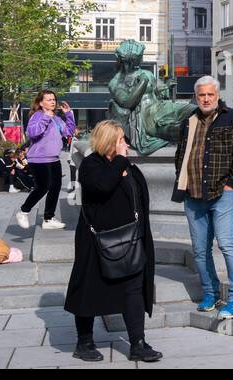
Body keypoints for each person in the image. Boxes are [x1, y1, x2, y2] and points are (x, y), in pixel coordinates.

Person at [64, 120, 161, 363]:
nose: (126, 145)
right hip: (96, 240)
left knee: (133, 289)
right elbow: (103, 185)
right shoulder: (91, 165)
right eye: (121, 140)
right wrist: (119, 160)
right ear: (109, 142)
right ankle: (84, 342)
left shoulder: (128, 167)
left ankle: (137, 342)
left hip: (129, 240)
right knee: (89, 288)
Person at [172, 76, 233, 320]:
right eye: (201, 95)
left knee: (227, 244)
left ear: (217, 95)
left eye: (210, 95)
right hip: (194, 193)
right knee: (199, 249)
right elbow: (181, 154)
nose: (206, 99)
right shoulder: (189, 121)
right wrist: (182, 181)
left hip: (223, 193)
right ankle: (211, 292)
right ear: (196, 97)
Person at [17, 90, 74, 231]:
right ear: (41, 103)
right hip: (38, 159)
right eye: (49, 100)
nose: (53, 102)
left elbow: (69, 132)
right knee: (43, 187)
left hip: (54, 158)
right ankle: (23, 211)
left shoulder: (57, 118)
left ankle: (48, 219)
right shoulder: (37, 115)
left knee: (55, 188)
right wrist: (46, 118)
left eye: (54, 99)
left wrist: (68, 114)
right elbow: (33, 133)